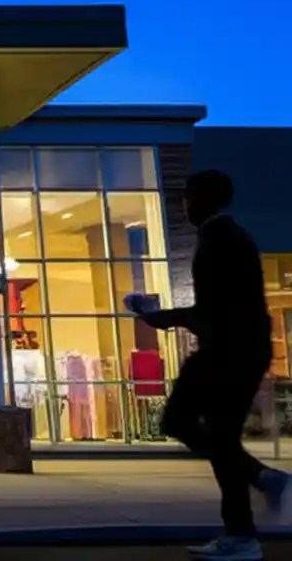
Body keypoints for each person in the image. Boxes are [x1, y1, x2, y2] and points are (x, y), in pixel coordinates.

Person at [128, 169, 290, 561]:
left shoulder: (218, 241)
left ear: (198, 199)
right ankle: (251, 503)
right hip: (241, 351)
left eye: (186, 197)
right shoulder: (231, 238)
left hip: (226, 353)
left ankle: (245, 525)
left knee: (189, 425)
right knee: (219, 438)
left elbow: (213, 311)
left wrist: (157, 317)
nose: (183, 205)